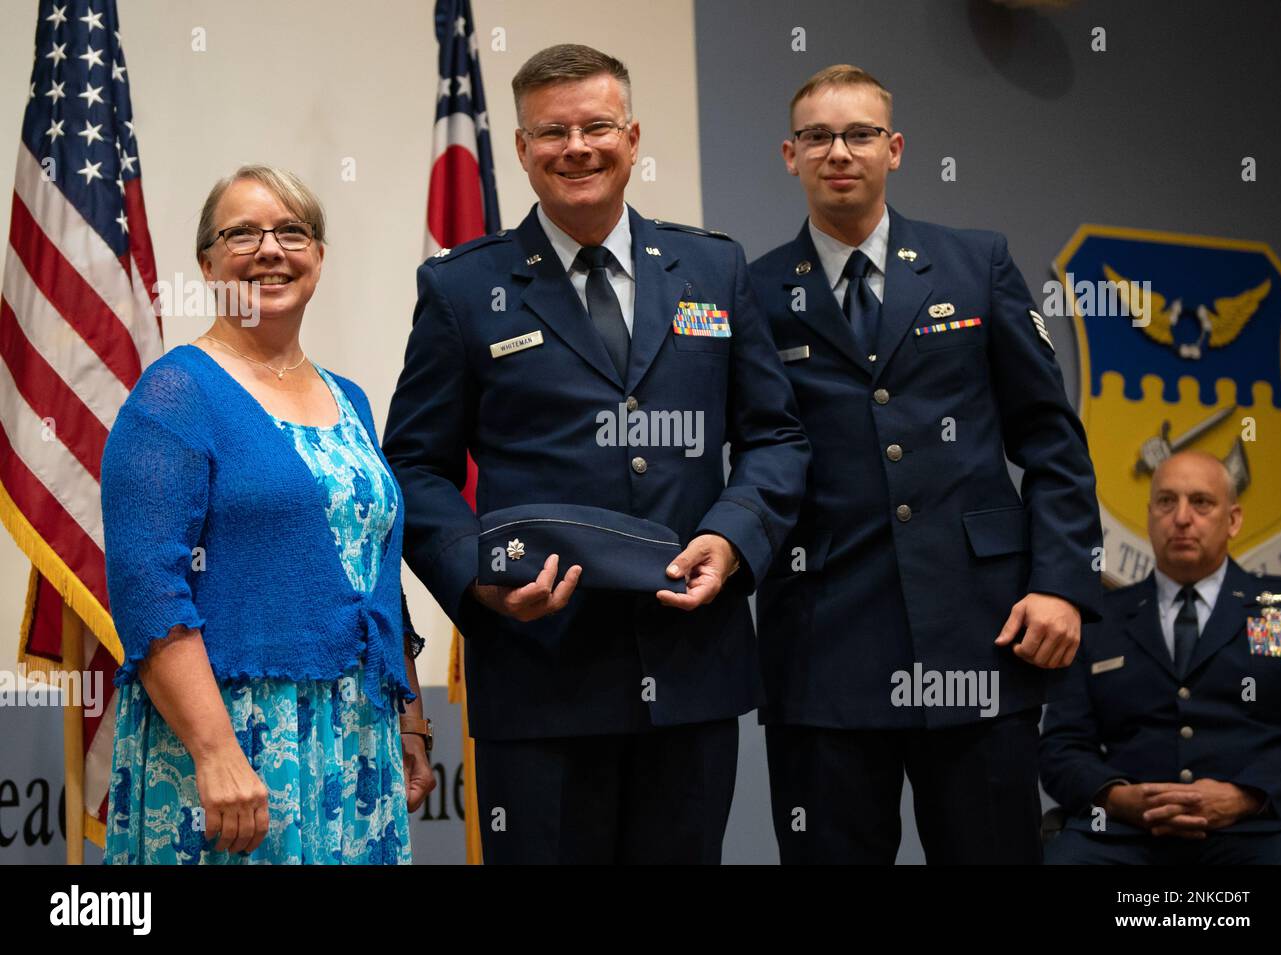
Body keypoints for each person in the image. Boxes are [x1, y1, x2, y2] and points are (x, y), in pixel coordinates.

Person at [383, 44, 809, 864]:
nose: (576, 148)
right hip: (539, 672)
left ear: (632, 137)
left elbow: (776, 437)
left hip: (689, 667)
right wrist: (477, 577)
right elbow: (413, 465)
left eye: (596, 127)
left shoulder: (712, 267)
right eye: (552, 132)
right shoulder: (462, 288)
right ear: (521, 149)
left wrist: (732, 537)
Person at [747, 65, 1103, 864]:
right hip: (824, 643)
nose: (840, 152)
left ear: (896, 148)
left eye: (860, 133)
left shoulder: (976, 263)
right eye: (817, 136)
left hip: (981, 632)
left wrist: (1061, 582)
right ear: (790, 155)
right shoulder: (754, 290)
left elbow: (1051, 440)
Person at [101, 165, 434, 864]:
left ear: (319, 255)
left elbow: (372, 572)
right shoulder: (175, 394)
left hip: (358, 743)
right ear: (207, 262)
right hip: (235, 745)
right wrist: (215, 751)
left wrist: (411, 722)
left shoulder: (349, 399)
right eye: (242, 234)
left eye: (292, 232)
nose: (271, 250)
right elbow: (146, 587)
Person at [1041, 450, 1281, 864]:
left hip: (1257, 828)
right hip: (1124, 834)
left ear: (1233, 519)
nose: (1181, 518)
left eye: (1201, 502)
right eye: (1166, 501)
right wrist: (1118, 798)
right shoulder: (1098, 620)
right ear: (1149, 516)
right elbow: (1062, 747)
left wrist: (1246, 797)